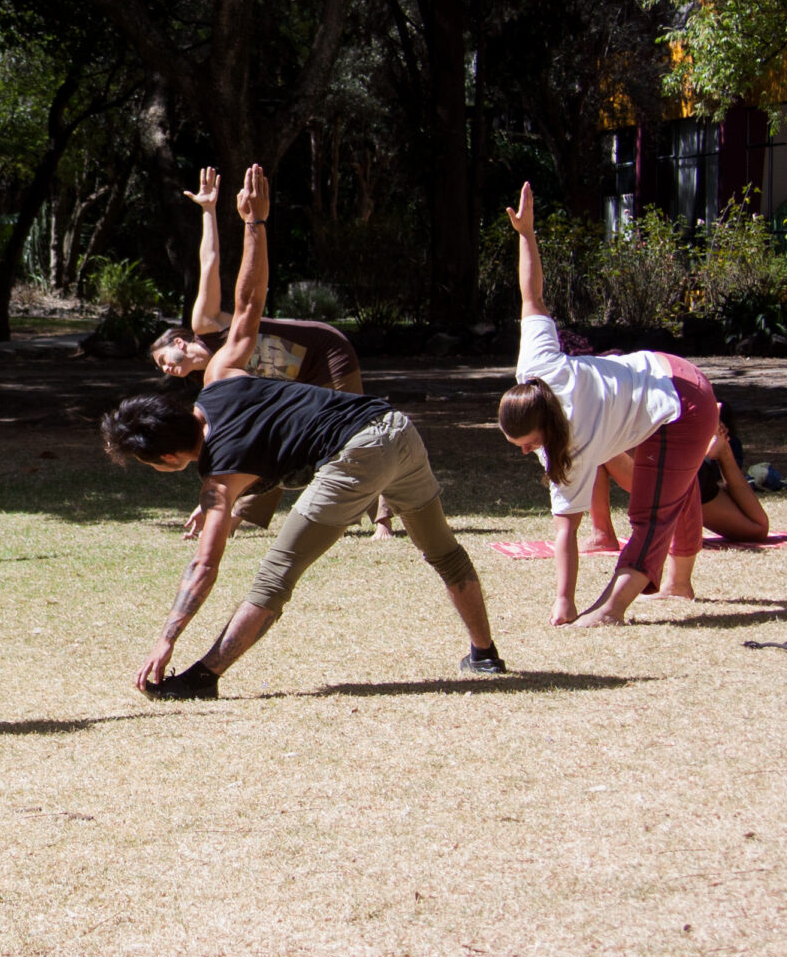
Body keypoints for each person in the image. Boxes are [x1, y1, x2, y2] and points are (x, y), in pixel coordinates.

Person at [101, 166, 504, 699]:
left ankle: (203, 678)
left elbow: (204, 565)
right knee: (443, 550)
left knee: (277, 572)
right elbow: (248, 306)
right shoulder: (219, 377)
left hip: (357, 453)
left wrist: (167, 637)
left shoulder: (219, 480)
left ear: (170, 455)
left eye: (153, 465)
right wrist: (255, 224)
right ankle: (484, 654)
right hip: (396, 428)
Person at [496, 183, 722, 626]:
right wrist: (525, 235)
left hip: (684, 404)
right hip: (666, 372)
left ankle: (612, 610)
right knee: (678, 484)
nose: (526, 452)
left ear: (549, 428)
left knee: (651, 513)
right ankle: (679, 584)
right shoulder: (536, 366)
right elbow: (532, 297)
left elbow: (566, 530)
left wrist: (566, 602)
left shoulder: (573, 446)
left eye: (529, 443)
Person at [150, 166, 378, 541]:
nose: (167, 371)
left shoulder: (206, 325)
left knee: (356, 432)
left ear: (178, 343)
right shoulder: (211, 382)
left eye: (164, 361)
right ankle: (241, 516)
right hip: (288, 383)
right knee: (266, 439)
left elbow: (210, 264)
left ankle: (381, 519)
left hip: (323, 352)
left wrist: (209, 212)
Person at [587, 403, 768, 597]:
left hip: (666, 461)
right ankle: (722, 453)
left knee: (593, 445)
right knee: (756, 528)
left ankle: (602, 533)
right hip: (690, 461)